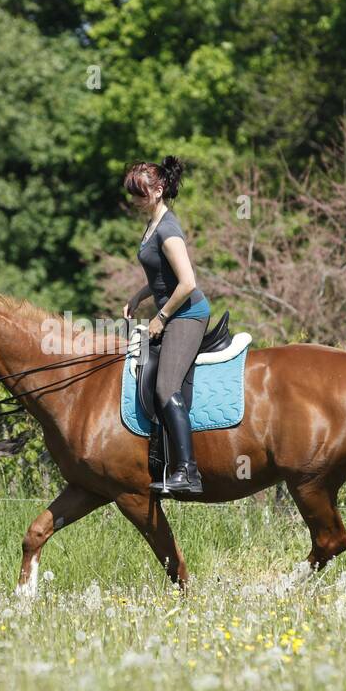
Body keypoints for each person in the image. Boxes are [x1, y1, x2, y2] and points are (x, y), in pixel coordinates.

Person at [122, 156, 210, 497]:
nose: (135, 200)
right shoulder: (152, 224)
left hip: (188, 315)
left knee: (165, 387)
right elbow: (161, 276)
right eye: (133, 194)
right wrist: (140, 295)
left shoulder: (169, 230)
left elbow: (186, 282)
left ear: (158, 190)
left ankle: (188, 472)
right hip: (171, 312)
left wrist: (160, 318)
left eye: (140, 194)